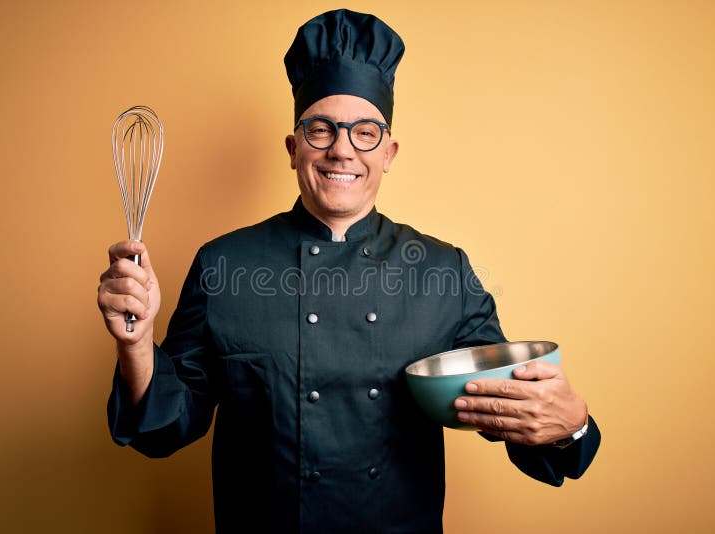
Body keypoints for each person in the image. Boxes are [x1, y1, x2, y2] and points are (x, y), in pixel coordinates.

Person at [98, 9, 600, 533]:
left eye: (365, 132)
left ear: (389, 153)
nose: (342, 149)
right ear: (293, 149)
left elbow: (512, 411)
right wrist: (136, 344)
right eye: (321, 130)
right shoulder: (223, 265)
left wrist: (571, 424)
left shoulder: (443, 271)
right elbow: (165, 429)